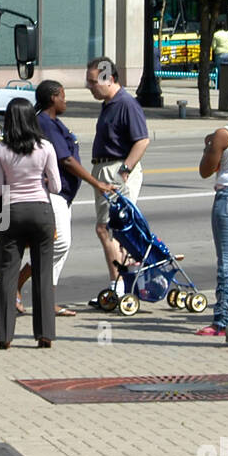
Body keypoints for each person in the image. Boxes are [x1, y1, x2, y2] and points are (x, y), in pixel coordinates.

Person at [15, 80, 113, 317]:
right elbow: (66, 160)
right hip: (52, 194)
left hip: (63, 195)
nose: (66, 100)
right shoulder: (44, 123)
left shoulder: (53, 122)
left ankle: (47, 300)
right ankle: (17, 284)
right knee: (58, 244)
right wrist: (96, 183)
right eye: (63, 96)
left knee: (58, 247)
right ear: (53, 98)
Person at [0, 98, 61, 348]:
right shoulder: (45, 147)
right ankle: (45, 334)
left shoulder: (0, 149)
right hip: (41, 211)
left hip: (11, 211)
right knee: (43, 272)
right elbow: (56, 186)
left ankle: (5, 336)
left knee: (9, 273)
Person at [86, 56, 150, 306]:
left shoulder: (125, 104)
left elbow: (142, 140)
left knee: (107, 229)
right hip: (105, 168)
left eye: (93, 82)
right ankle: (121, 286)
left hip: (114, 169)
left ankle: (118, 287)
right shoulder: (110, 103)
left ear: (109, 79)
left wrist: (125, 169)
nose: (89, 87)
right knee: (113, 230)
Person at [196, 84, 228, 336]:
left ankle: (224, 320)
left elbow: (206, 170)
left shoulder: (224, 134)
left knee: (227, 262)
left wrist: (209, 146)